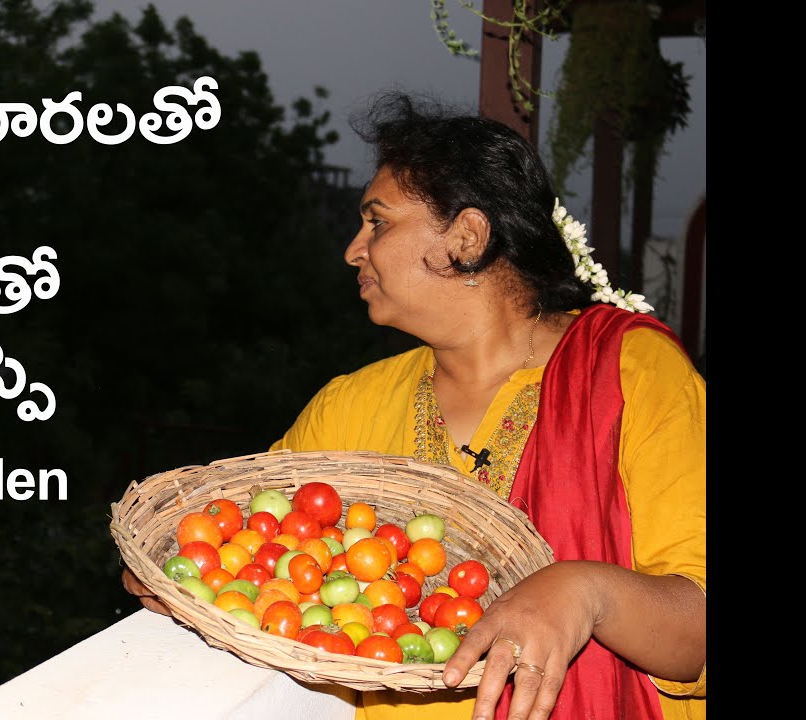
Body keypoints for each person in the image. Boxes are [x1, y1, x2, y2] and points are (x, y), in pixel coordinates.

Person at [122, 92, 705, 720]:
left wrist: (586, 590)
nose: (353, 250)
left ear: (467, 236)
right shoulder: (349, 407)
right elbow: (241, 553)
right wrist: (174, 575)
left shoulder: (629, 373)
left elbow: (695, 630)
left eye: (377, 222)